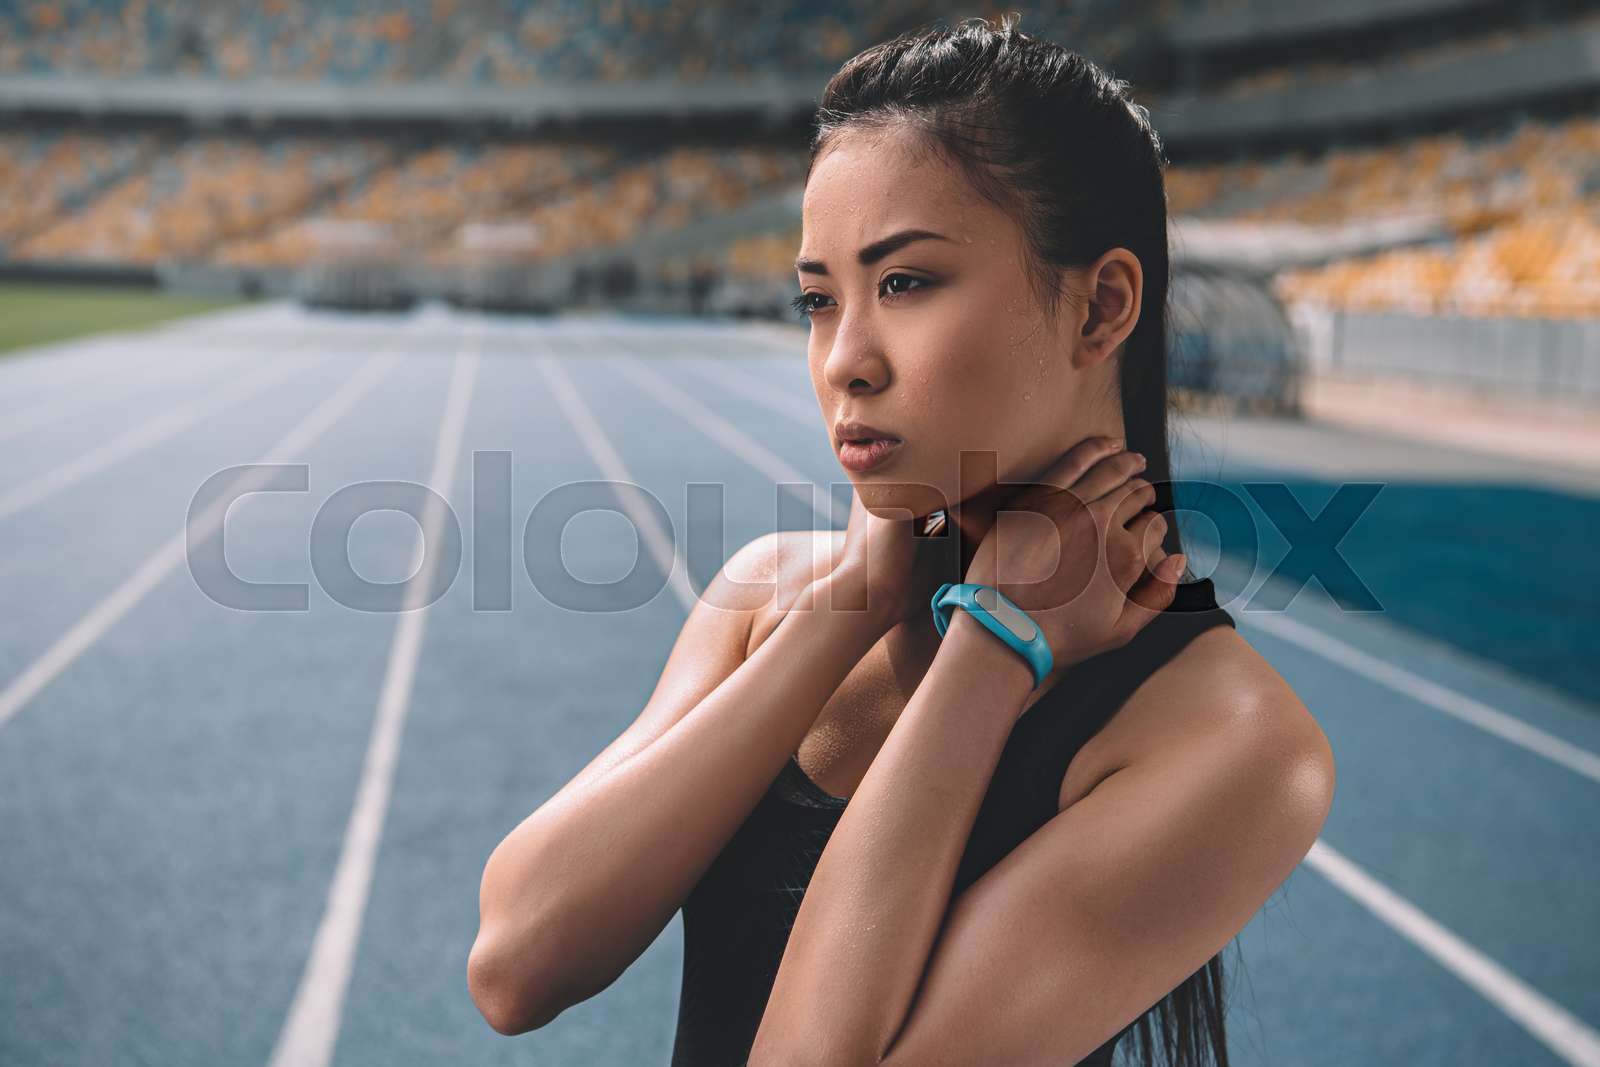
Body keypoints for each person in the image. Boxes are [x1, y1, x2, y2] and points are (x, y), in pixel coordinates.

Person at [468, 15, 1334, 1067]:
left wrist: (995, 642)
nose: (844, 359)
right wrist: (851, 602)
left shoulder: (1229, 737)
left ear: (1101, 308)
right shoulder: (771, 594)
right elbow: (516, 964)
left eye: (906, 283)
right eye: (817, 299)